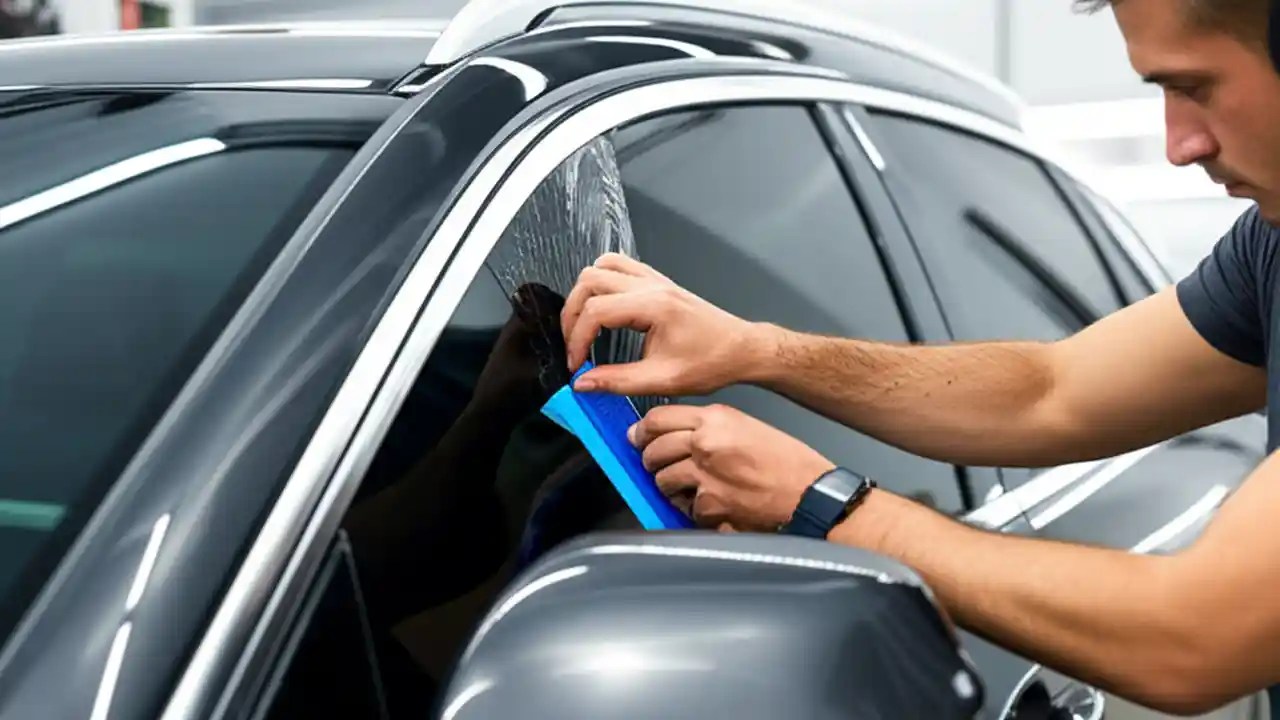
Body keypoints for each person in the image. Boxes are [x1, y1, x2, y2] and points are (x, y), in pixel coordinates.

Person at [558, 0, 1280, 715]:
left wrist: (824, 504)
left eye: (1192, 87)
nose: (1179, 144)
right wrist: (759, 350)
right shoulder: (1269, 250)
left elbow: (1192, 637)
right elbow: (1050, 391)